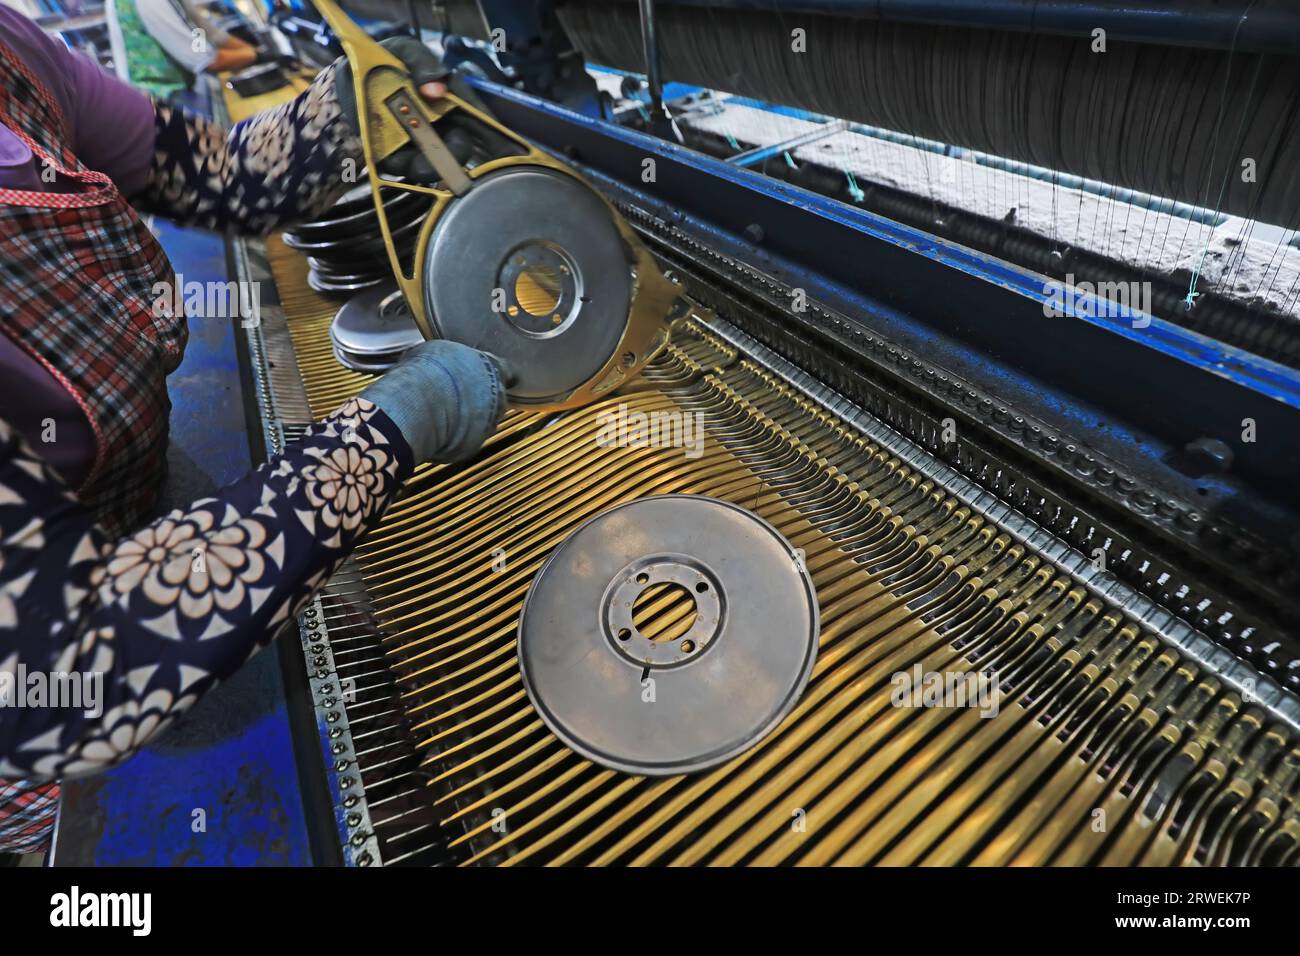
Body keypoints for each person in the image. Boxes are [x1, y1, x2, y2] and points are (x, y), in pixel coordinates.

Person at [0, 7, 504, 854]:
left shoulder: (11, 51)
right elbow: (67, 676)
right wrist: (398, 424)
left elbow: (206, 169)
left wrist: (345, 114)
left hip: (133, 496)